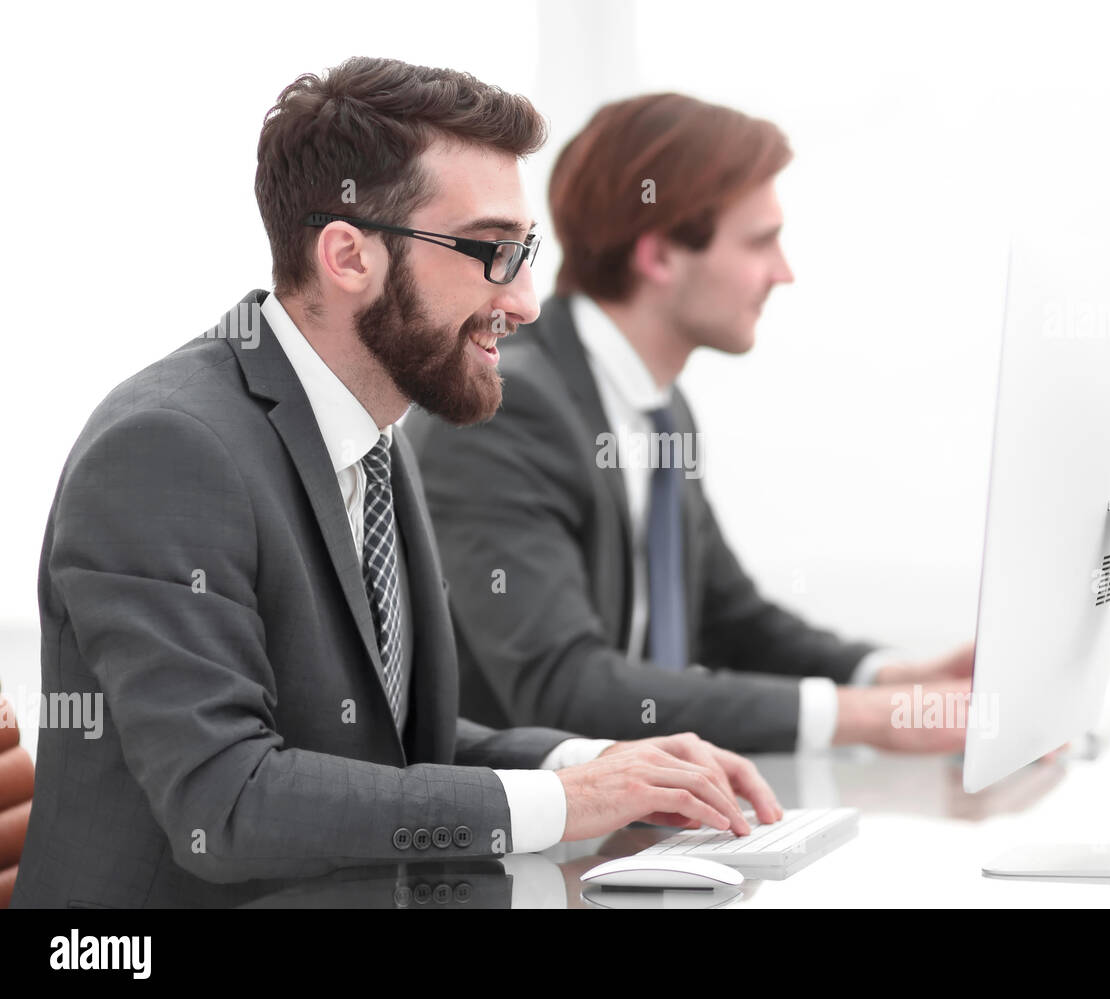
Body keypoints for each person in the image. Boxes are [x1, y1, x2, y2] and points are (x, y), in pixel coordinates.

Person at [11, 60, 779, 909]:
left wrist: (588, 762)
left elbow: (378, 742)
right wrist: (564, 803)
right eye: (493, 252)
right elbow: (225, 800)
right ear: (348, 256)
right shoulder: (167, 450)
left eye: (525, 252)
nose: (524, 300)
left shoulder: (374, 432)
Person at [405, 93, 975, 754]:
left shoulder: (661, 409)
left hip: (636, 823)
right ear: (660, 256)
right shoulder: (503, 409)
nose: (783, 273)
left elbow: (731, 619)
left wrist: (895, 677)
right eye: (761, 241)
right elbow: (565, 686)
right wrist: (870, 718)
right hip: (516, 839)